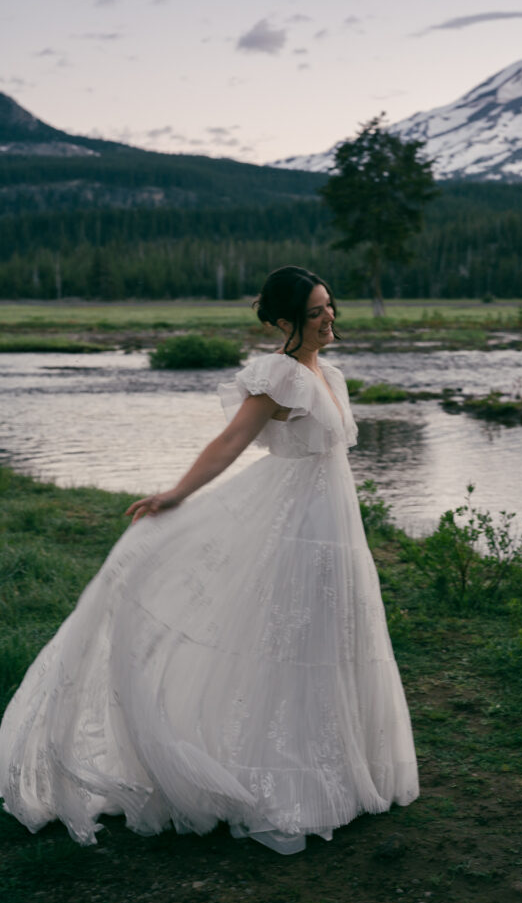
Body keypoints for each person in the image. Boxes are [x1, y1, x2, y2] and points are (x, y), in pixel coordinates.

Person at [0, 266, 418, 854]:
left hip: (335, 526)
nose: (329, 318)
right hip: (294, 524)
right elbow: (229, 443)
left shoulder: (334, 373)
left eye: (330, 306)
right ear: (282, 322)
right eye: (316, 311)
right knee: (290, 642)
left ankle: (341, 771)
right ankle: (283, 782)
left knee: (334, 637)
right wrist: (176, 494)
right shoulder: (277, 376)